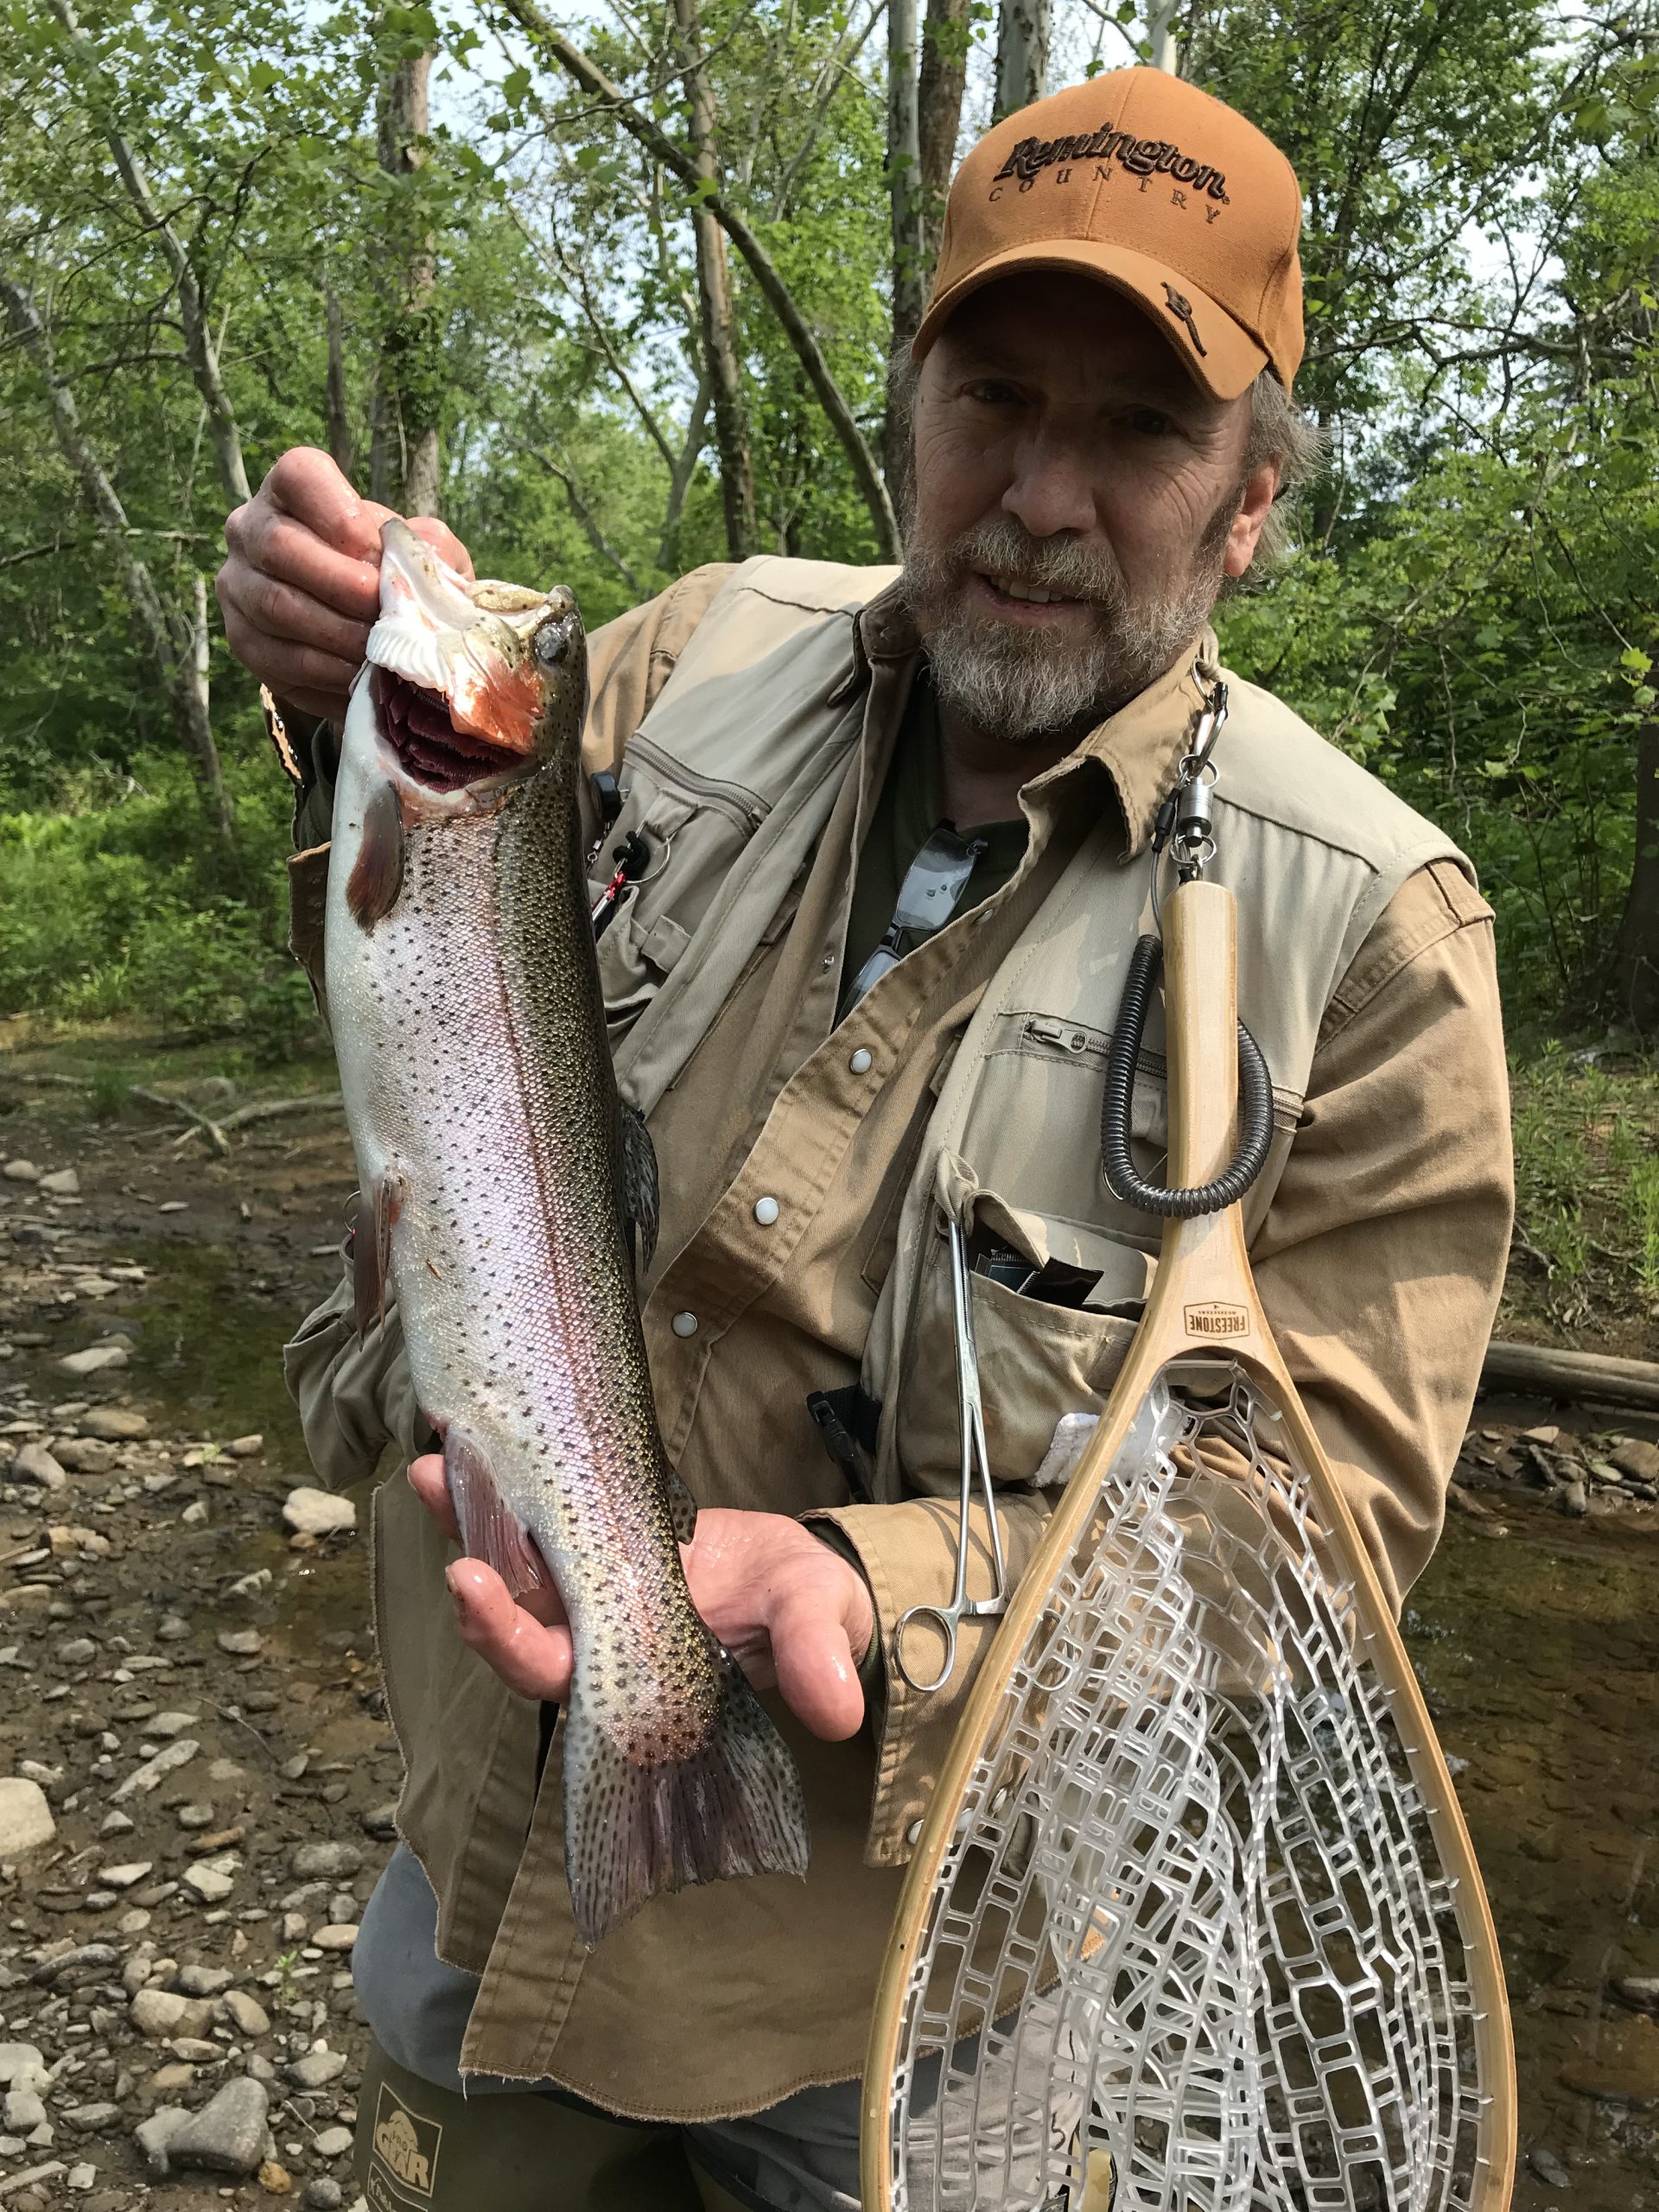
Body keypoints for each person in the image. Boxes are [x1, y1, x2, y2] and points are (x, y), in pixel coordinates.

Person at [217, 67, 1513, 2212]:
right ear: (914, 404)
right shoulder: (682, 654)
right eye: (995, 396)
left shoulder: (1368, 938)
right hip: (500, 1845)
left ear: (1253, 501)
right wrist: (340, 676)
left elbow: (1321, 1529)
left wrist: (861, 1579)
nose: (1040, 494)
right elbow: (431, 960)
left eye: (1140, 433)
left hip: (916, 1975)